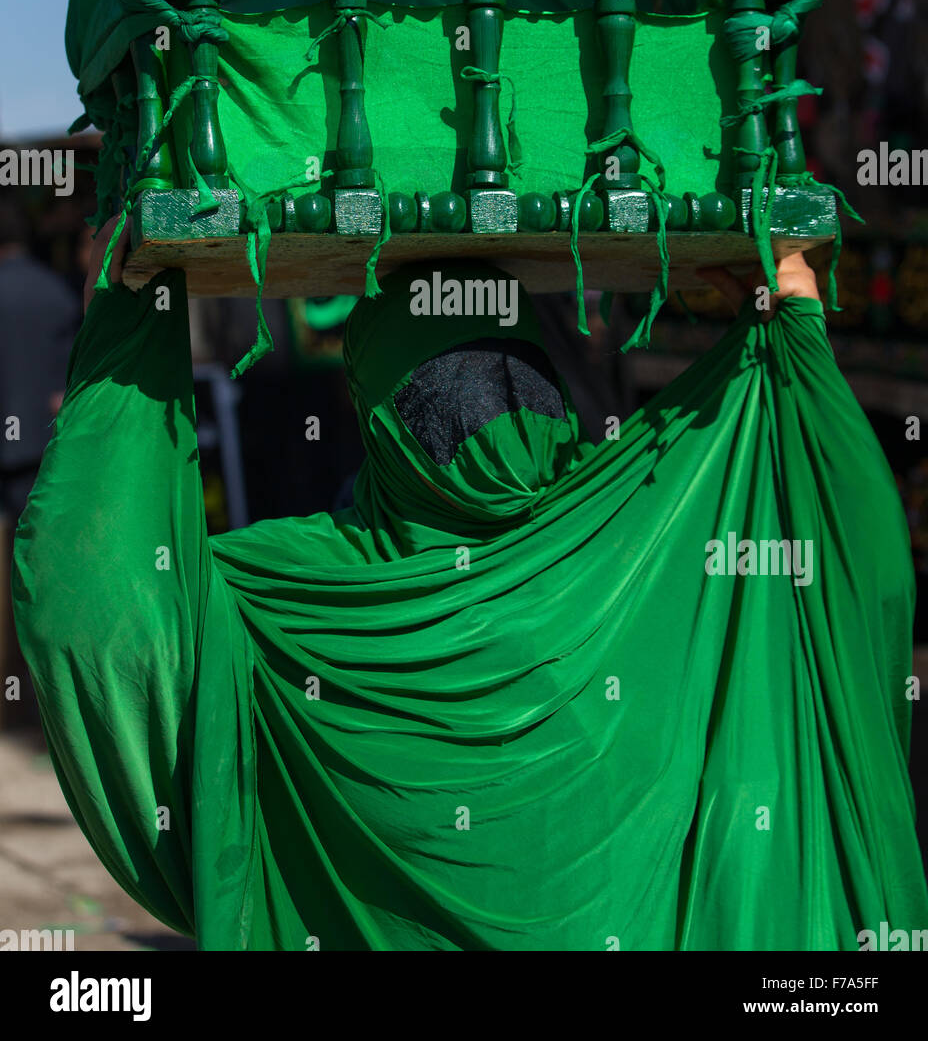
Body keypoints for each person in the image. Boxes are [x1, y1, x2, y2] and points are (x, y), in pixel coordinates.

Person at [10, 216, 928, 950]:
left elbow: (90, 601)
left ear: (369, 413)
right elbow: (850, 547)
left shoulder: (281, 602)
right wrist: (789, 320)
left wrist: (134, 325)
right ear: (552, 386)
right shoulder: (648, 541)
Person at [0, 197, 81, 729]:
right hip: (35, 458)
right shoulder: (56, 295)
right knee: (36, 579)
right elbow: (61, 395)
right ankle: (35, 702)